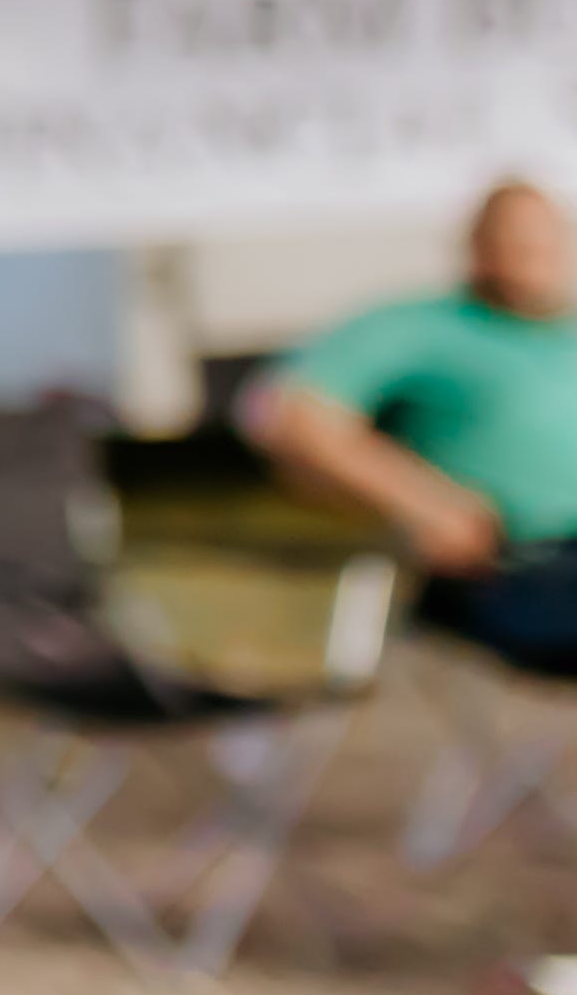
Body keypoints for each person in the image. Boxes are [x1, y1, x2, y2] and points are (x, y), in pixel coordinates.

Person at [240, 178, 577, 668]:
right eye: (511, 240)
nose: (529, 255)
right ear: (476, 246)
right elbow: (290, 414)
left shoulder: (563, 335)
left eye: (542, 239)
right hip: (511, 564)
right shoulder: (420, 326)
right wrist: (421, 502)